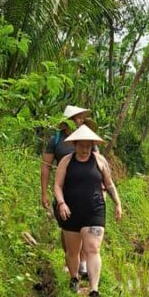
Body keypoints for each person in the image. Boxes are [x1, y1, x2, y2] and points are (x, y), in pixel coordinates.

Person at [54, 124, 122, 297]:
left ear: (92, 145)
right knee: (72, 251)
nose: (85, 149)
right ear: (75, 145)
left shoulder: (99, 161)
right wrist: (61, 203)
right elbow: (58, 185)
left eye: (88, 146)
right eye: (82, 146)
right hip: (71, 211)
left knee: (93, 248)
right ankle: (74, 278)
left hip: (95, 210)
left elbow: (109, 184)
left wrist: (117, 203)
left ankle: (94, 290)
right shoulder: (66, 161)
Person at [41, 105, 92, 278]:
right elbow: (46, 167)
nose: (80, 120)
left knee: (84, 227)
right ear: (68, 120)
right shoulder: (55, 140)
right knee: (67, 229)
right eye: (77, 117)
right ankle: (71, 259)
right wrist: (44, 193)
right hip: (63, 193)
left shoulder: (87, 138)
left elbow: (99, 163)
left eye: (82, 118)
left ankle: (83, 263)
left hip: (85, 192)